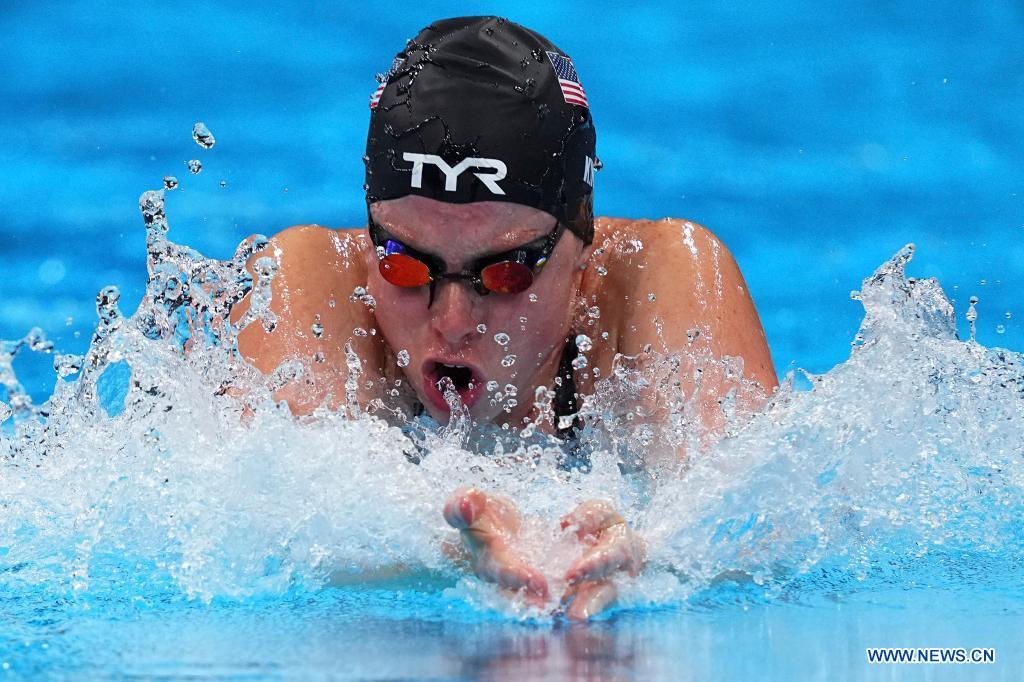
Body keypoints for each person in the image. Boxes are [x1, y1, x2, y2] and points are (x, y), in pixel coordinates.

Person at [230, 16, 777, 620]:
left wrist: (657, 555)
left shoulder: (661, 277)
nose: (454, 321)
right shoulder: (306, 286)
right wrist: (445, 548)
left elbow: (761, 520)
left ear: (583, 256)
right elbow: (261, 534)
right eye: (406, 265)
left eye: (507, 273)